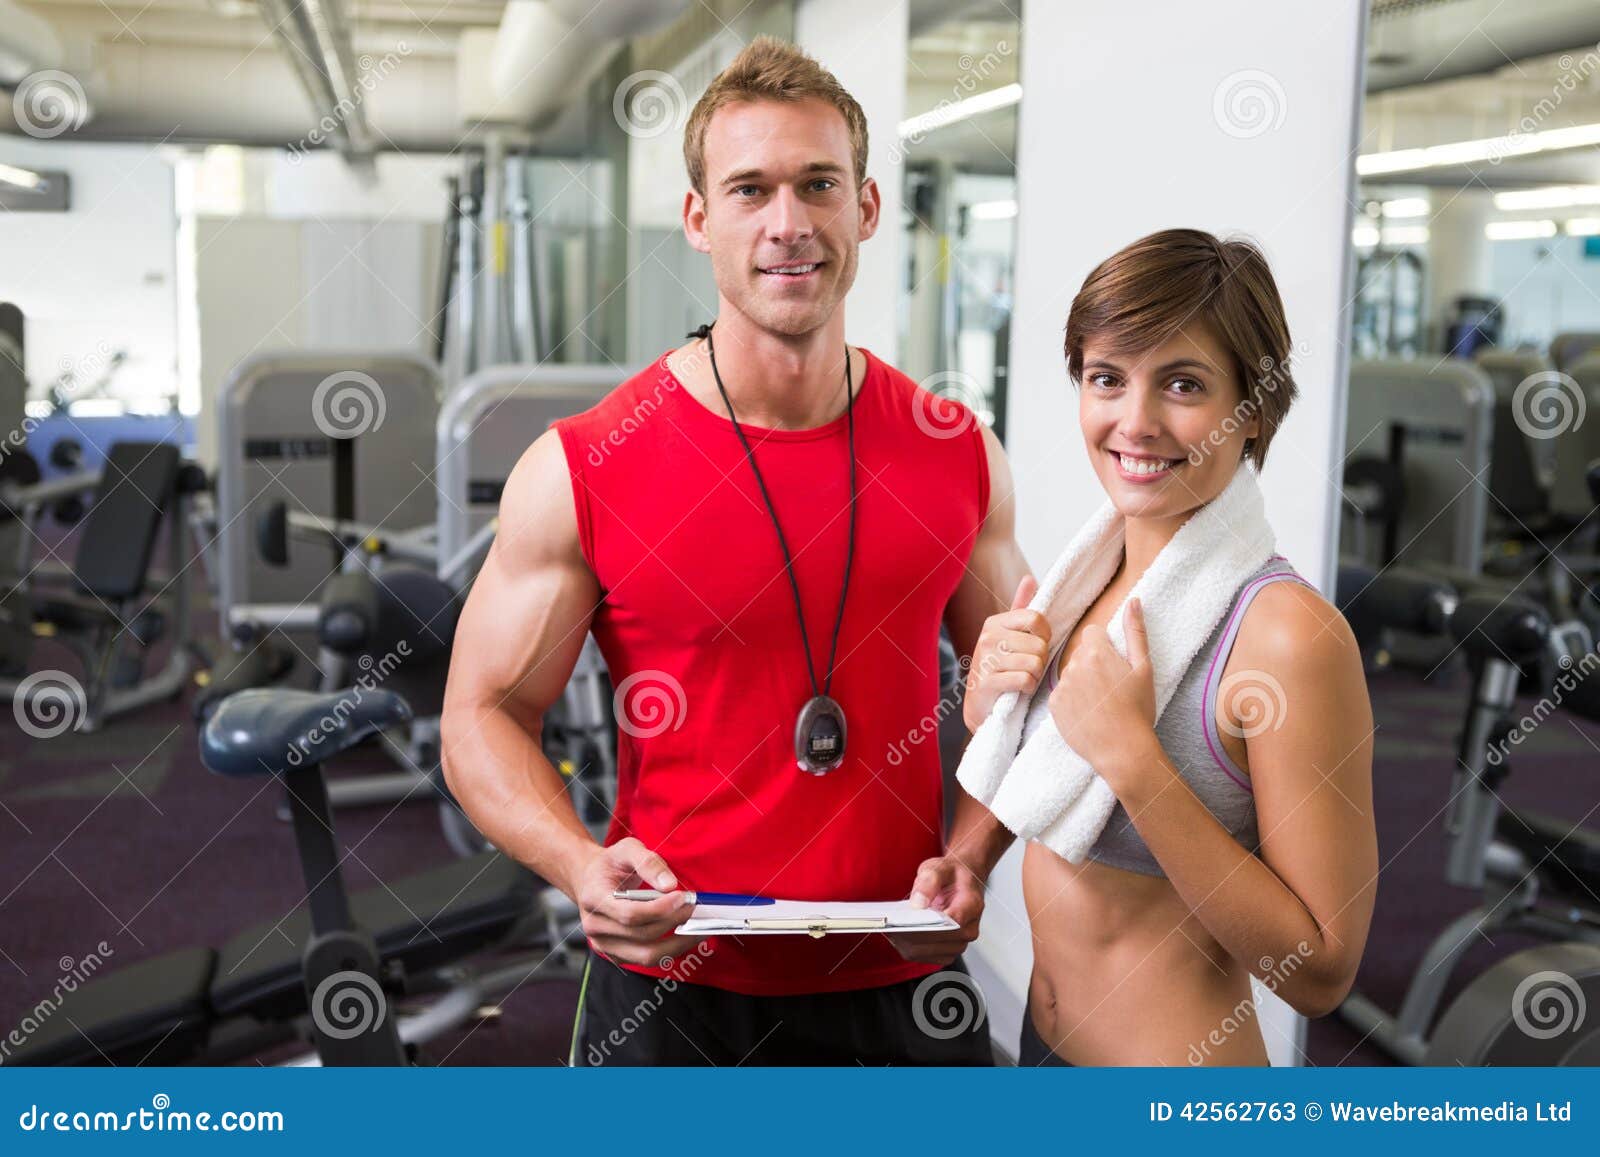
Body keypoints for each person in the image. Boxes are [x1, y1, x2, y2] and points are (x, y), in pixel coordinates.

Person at [440, 36, 1026, 1066]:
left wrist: (973, 850)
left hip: (903, 974)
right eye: (749, 190)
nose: (787, 222)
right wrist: (577, 863)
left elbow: (1020, 698)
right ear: (699, 219)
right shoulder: (585, 464)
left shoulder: (956, 453)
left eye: (818, 185)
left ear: (867, 208)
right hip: (674, 983)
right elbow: (481, 715)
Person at [957, 229, 1377, 1066]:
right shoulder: (1087, 583)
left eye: (1183, 384)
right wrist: (974, 842)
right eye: (1107, 379)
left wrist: (1137, 763)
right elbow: (1055, 792)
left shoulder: (1289, 637)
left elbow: (1323, 969)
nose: (1136, 422)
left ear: (1251, 408)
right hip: (1041, 1050)